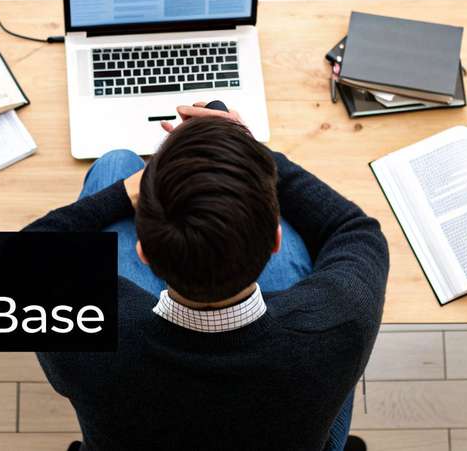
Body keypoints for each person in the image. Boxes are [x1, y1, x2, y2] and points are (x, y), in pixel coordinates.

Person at [25, 103, 389, 451]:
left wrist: (124, 193)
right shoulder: (340, 323)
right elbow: (355, 230)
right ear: (275, 240)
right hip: (296, 407)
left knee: (115, 164)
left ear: (144, 254)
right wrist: (244, 150)